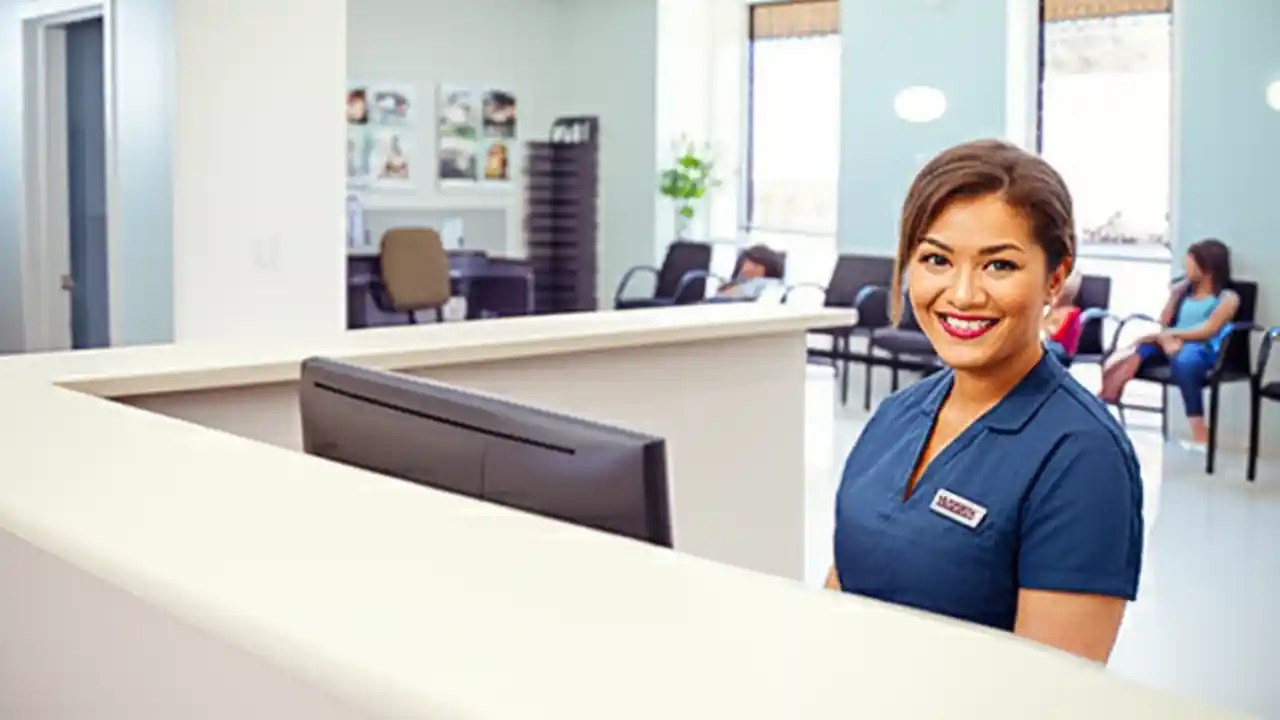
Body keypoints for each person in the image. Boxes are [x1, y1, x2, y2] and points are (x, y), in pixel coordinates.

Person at [825, 140, 1143, 664]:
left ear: (1056, 278)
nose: (963, 295)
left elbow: (1051, 695)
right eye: (936, 260)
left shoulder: (1083, 457)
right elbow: (841, 591)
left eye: (998, 266)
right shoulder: (896, 416)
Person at [1098, 239, 1239, 448]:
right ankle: (1105, 401)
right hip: (1170, 343)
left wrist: (1169, 335)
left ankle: (1199, 431)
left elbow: (1209, 330)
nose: (1186, 269)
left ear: (1207, 267)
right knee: (1138, 352)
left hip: (1202, 349)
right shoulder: (1184, 294)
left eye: (1190, 265)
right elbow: (1163, 321)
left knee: (1185, 359)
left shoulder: (1228, 297)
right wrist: (1174, 296)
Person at [714, 245, 784, 301]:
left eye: (755, 265)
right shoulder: (736, 284)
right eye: (746, 262)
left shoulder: (769, 286)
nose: (746, 267)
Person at [1043, 270, 1083, 365]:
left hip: (1062, 351)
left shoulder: (1071, 313)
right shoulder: (1053, 309)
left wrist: (1046, 328)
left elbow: (1057, 335)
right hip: (1050, 345)